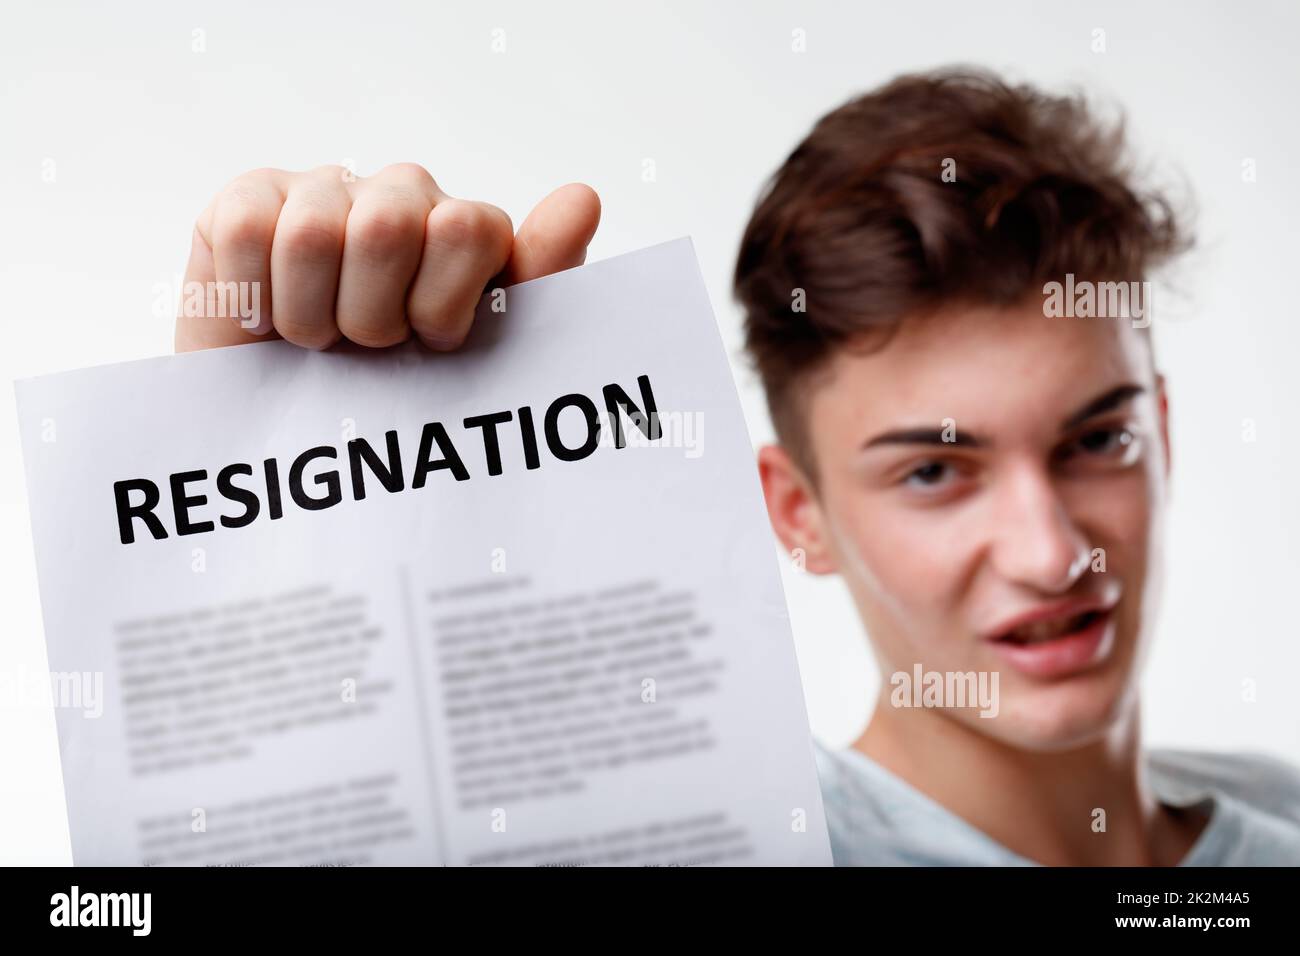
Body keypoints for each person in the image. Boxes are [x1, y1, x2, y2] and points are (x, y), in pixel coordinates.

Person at [173, 67, 1300, 865]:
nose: (1052, 552)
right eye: (932, 473)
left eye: (1096, 439)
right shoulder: (728, 840)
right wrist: (258, 514)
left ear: (1161, 428)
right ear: (794, 512)